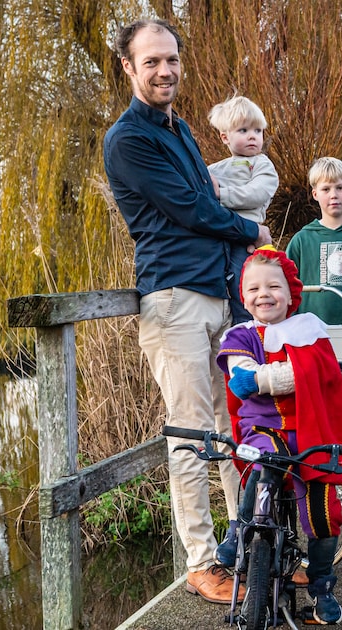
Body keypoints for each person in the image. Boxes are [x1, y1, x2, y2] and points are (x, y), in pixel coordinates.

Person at [103, 19, 271, 605]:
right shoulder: (129, 139)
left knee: (237, 427)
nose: (164, 70)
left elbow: (206, 200)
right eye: (151, 62)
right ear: (129, 67)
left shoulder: (183, 132)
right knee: (193, 432)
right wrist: (251, 230)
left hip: (220, 295)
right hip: (174, 299)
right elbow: (189, 208)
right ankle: (203, 563)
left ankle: (249, 546)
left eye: (171, 59)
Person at [215, 247, 342, 625]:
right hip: (262, 428)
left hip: (311, 431)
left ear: (291, 292)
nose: (264, 294)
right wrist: (286, 376)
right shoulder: (240, 335)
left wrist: (271, 377)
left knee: (325, 512)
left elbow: (324, 378)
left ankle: (322, 588)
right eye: (254, 288)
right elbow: (243, 381)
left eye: (273, 286)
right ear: (243, 296)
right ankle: (239, 529)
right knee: (264, 464)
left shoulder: (309, 330)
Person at [206, 94, 280, 323]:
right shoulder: (214, 169)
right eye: (243, 131)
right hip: (218, 238)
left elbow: (257, 194)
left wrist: (222, 194)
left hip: (244, 240)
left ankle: (247, 331)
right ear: (225, 137)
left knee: (244, 288)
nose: (252, 137)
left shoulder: (261, 164)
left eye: (258, 131)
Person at [285, 157, 342, 326]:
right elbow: (286, 288)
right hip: (311, 333)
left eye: (339, 188)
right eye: (326, 189)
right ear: (315, 194)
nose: (333, 195)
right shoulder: (302, 240)